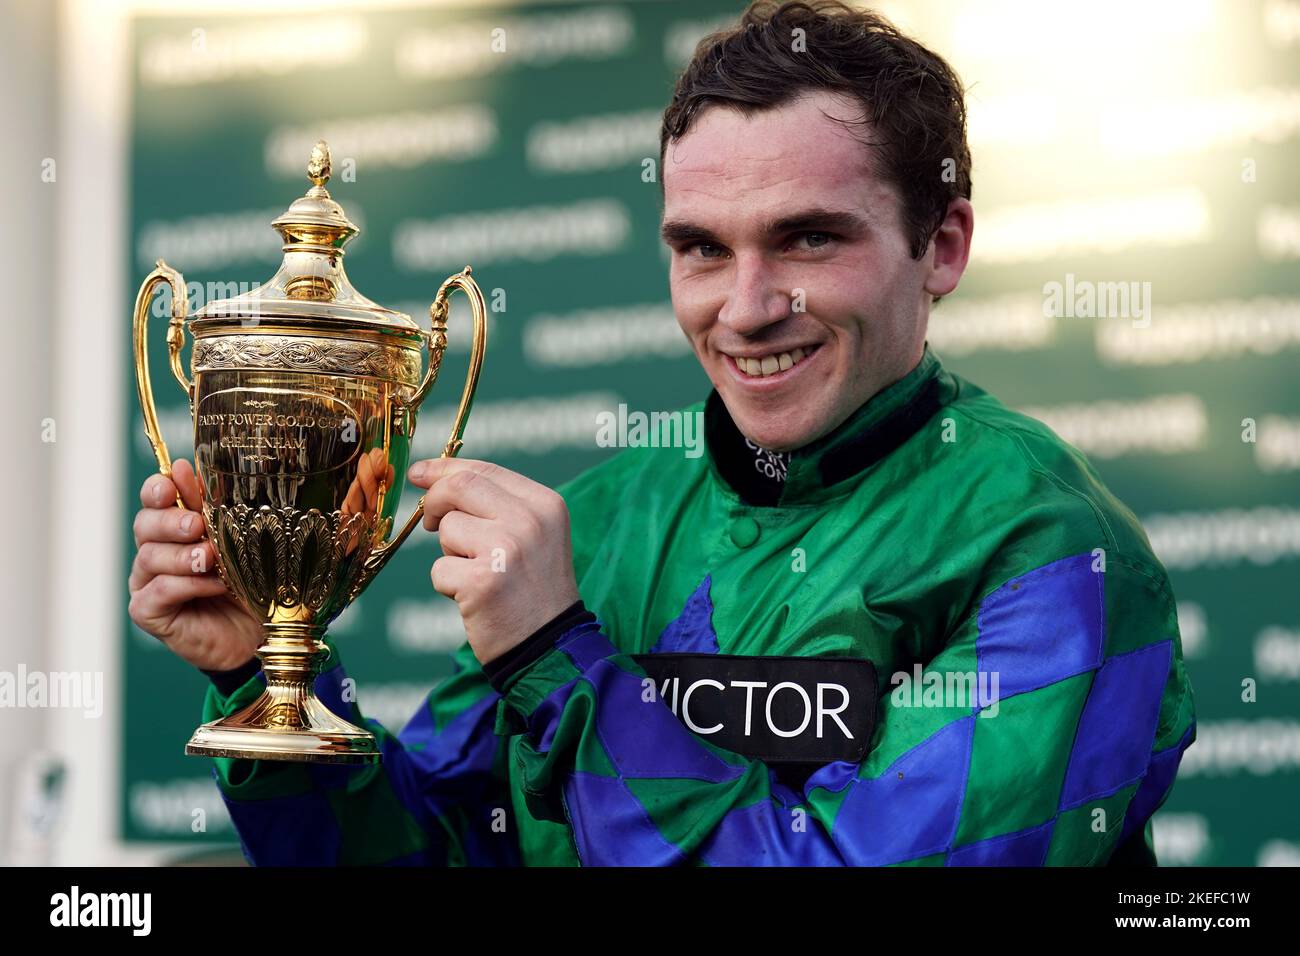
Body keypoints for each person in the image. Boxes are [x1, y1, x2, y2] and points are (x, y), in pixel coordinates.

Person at [127, 0, 1195, 866]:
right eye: (700, 248)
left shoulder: (1058, 556)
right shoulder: (603, 518)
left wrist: (562, 661)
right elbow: (440, 850)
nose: (745, 304)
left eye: (808, 237)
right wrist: (268, 674)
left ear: (942, 245)